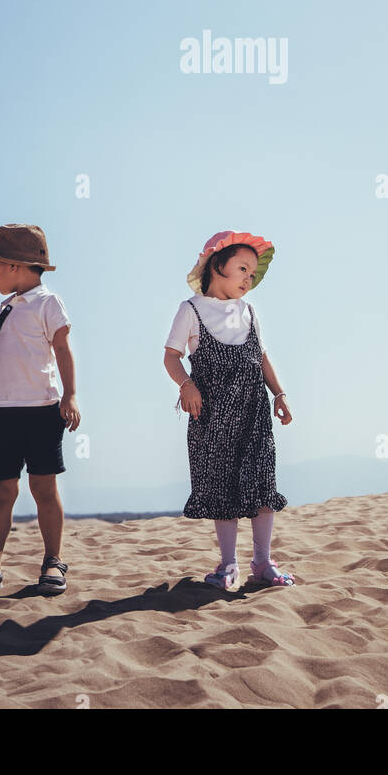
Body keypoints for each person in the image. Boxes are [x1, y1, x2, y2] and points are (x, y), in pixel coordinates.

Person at [164, 230, 295, 590]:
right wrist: (186, 385)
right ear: (217, 265)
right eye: (241, 269)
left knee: (262, 485)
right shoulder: (190, 310)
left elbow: (262, 356)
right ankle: (228, 565)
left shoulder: (249, 312)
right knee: (222, 491)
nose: (247, 280)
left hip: (255, 415)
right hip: (213, 418)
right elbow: (171, 356)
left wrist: (279, 393)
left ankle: (263, 562)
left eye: (252, 274)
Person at [0, 223, 80, 599]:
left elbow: (62, 350)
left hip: (41, 411)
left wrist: (70, 395)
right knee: (1, 493)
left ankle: (53, 561)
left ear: (15, 265)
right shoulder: (6, 307)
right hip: (3, 414)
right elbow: (2, 364)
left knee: (43, 487)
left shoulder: (48, 302)